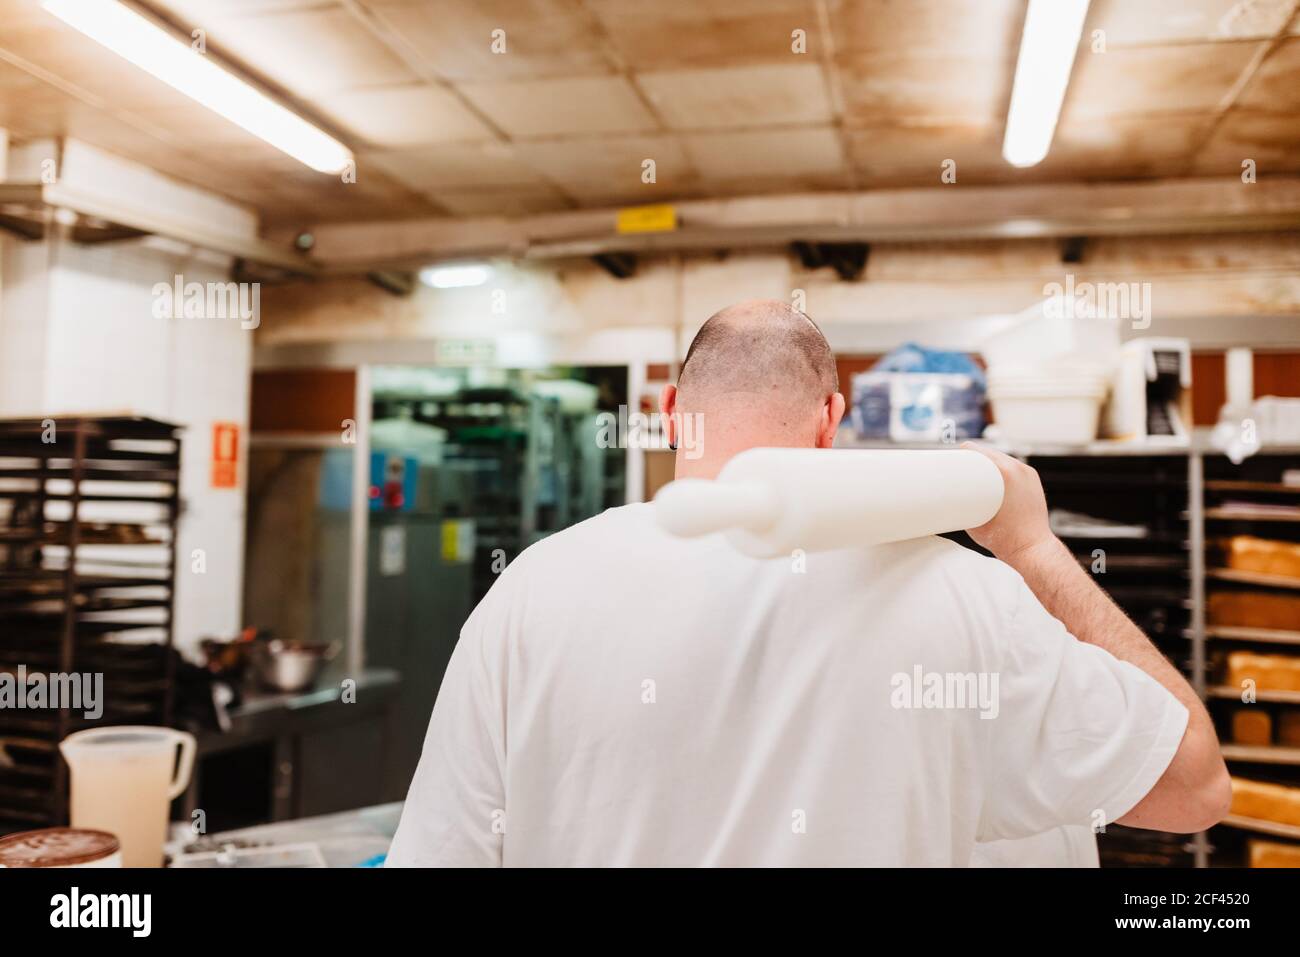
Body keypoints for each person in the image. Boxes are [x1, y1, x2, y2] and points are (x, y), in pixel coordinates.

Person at [387, 299, 1229, 867]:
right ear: (833, 418)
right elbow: (1198, 785)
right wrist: (1035, 548)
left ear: (675, 411)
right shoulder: (961, 593)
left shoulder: (529, 591)